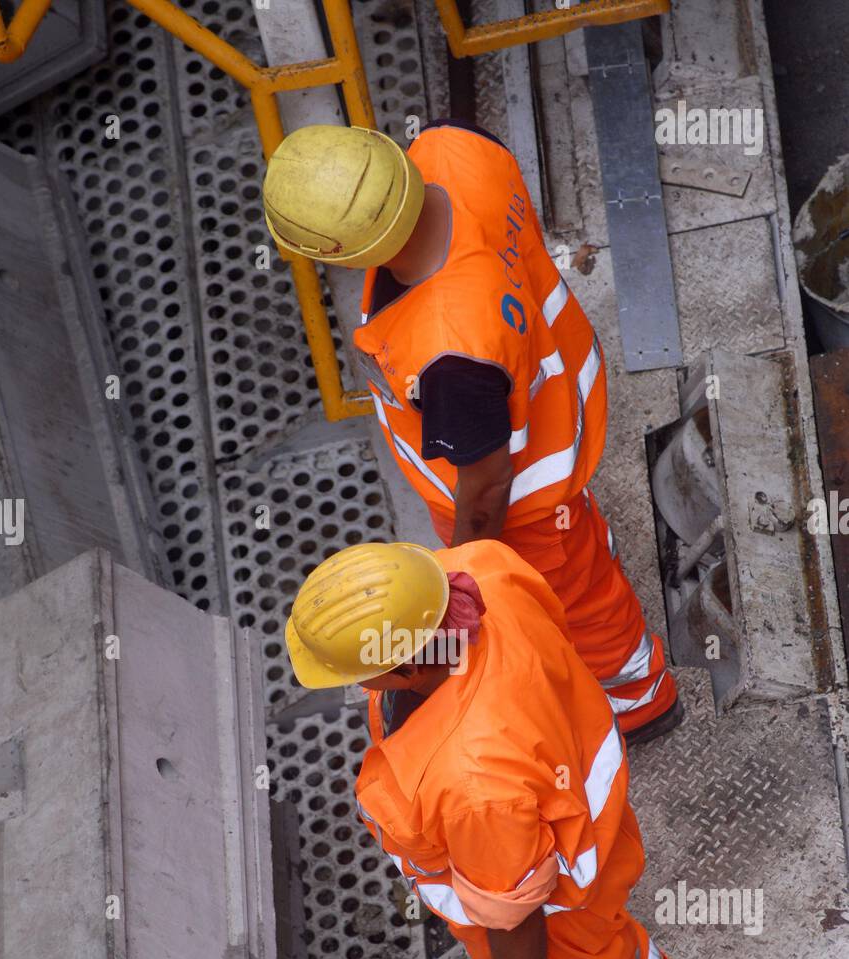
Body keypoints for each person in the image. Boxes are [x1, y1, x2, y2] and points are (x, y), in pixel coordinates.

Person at [285, 538, 706, 959]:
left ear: (402, 670)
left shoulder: (469, 782)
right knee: (611, 941)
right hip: (588, 835)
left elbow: (514, 915)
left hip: (550, 913)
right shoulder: (484, 569)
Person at [264, 120, 682, 745]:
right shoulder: (450, 147)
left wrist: (462, 571)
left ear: (337, 255)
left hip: (526, 499)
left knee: (579, 602)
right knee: (578, 555)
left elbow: (486, 491)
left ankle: (639, 700)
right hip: (551, 403)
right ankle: (588, 552)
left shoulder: (449, 354)